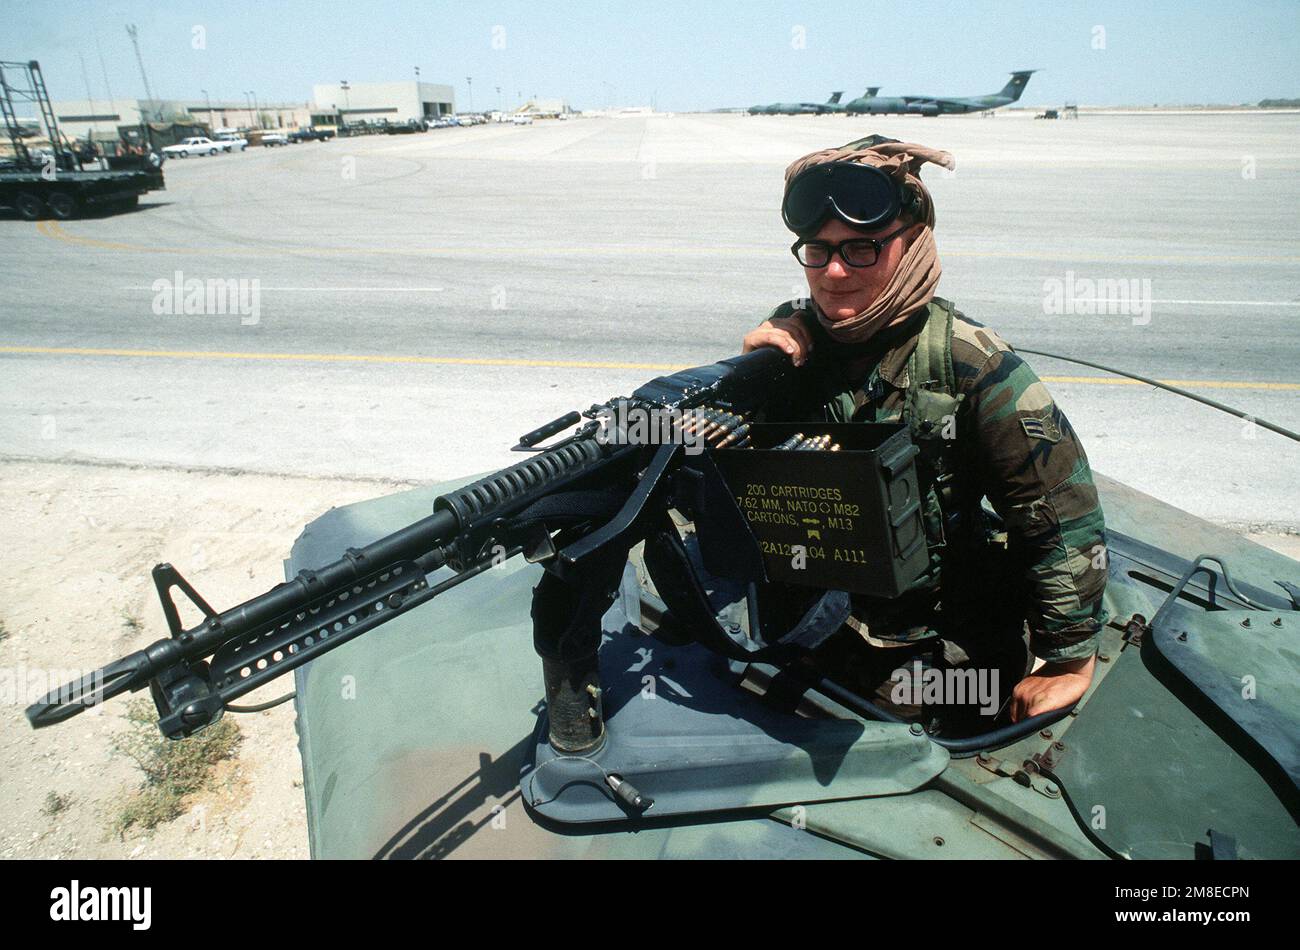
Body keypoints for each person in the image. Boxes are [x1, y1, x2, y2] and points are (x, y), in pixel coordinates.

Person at [741, 135, 1108, 725]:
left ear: (911, 248)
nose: (834, 272)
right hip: (826, 624)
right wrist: (755, 376)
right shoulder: (794, 347)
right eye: (818, 249)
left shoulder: (967, 362)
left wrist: (1066, 659)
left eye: (862, 249)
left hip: (938, 641)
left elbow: (1057, 511)